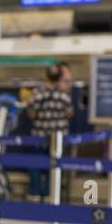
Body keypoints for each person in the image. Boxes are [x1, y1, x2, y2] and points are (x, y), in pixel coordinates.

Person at [24, 63, 73, 199]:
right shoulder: (63, 93)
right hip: (57, 138)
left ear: (46, 76)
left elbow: (32, 114)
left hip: (38, 136)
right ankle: (49, 193)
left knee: (35, 165)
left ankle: (34, 193)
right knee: (54, 166)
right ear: (59, 77)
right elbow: (69, 113)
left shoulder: (37, 93)